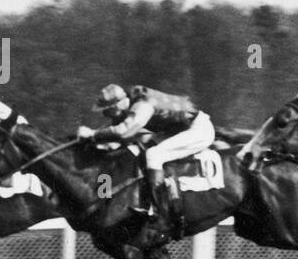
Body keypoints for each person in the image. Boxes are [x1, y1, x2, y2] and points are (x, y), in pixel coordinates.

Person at [76, 84, 214, 237]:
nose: (106, 115)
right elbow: (114, 135)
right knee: (135, 151)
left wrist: (92, 134)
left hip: (198, 130)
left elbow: (124, 131)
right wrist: (95, 140)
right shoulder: (129, 106)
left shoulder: (143, 106)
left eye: (107, 110)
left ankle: (160, 212)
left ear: (118, 104)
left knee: (153, 155)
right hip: (176, 131)